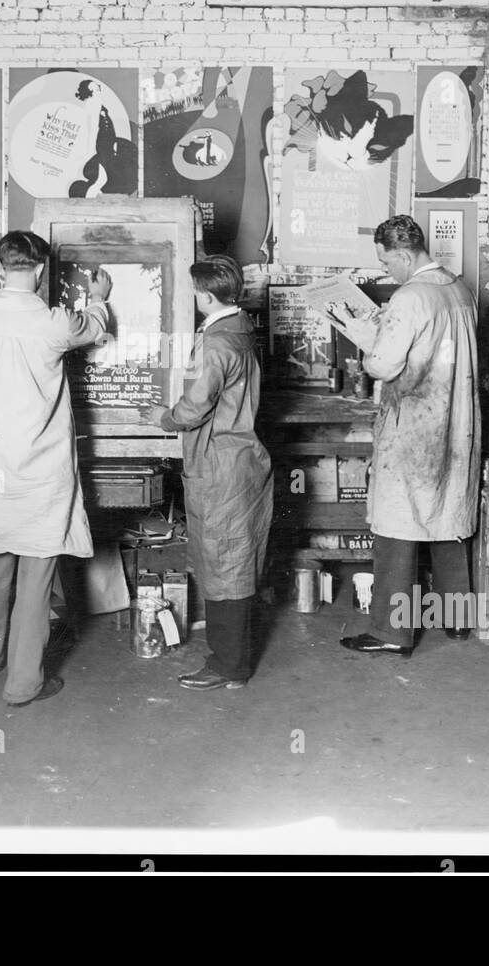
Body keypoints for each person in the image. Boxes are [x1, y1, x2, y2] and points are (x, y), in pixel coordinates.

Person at [0, 231, 113, 706]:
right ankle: (23, 684)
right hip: (40, 469)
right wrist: (100, 298)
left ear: (1, 265)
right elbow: (92, 326)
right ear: (42, 269)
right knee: (36, 576)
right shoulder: (54, 323)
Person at [341, 215, 480, 657]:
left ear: (403, 255)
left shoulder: (410, 296)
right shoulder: (458, 289)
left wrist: (364, 336)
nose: (387, 271)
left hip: (415, 426)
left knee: (397, 525)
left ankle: (391, 632)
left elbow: (383, 366)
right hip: (456, 424)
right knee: (448, 517)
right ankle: (457, 619)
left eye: (387, 263)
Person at [145, 254, 273, 691]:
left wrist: (165, 417)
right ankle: (231, 660)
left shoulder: (216, 343)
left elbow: (195, 407)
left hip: (220, 464)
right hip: (240, 459)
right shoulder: (241, 329)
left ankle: (229, 666)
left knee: (225, 566)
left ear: (205, 296)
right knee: (233, 561)